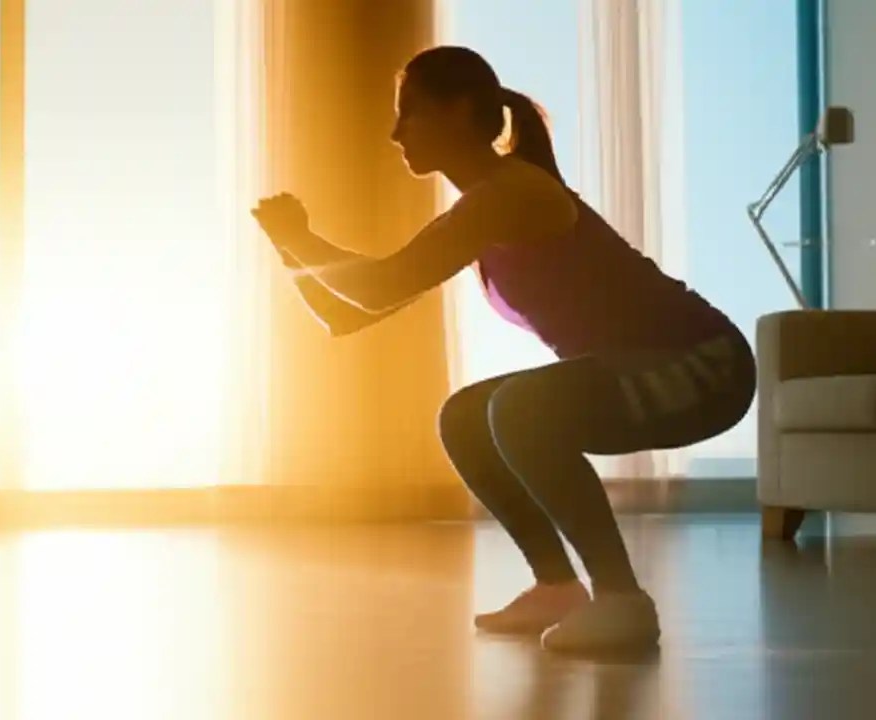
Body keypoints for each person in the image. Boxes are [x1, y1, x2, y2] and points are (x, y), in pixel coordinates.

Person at [250, 45, 755, 653]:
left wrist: (301, 238)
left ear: (459, 110)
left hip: (706, 366)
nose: (394, 131)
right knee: (465, 417)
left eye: (408, 112)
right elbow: (349, 313)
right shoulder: (484, 206)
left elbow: (377, 286)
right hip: (644, 370)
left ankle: (623, 601)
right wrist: (290, 248)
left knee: (518, 408)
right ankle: (556, 587)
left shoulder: (513, 192)